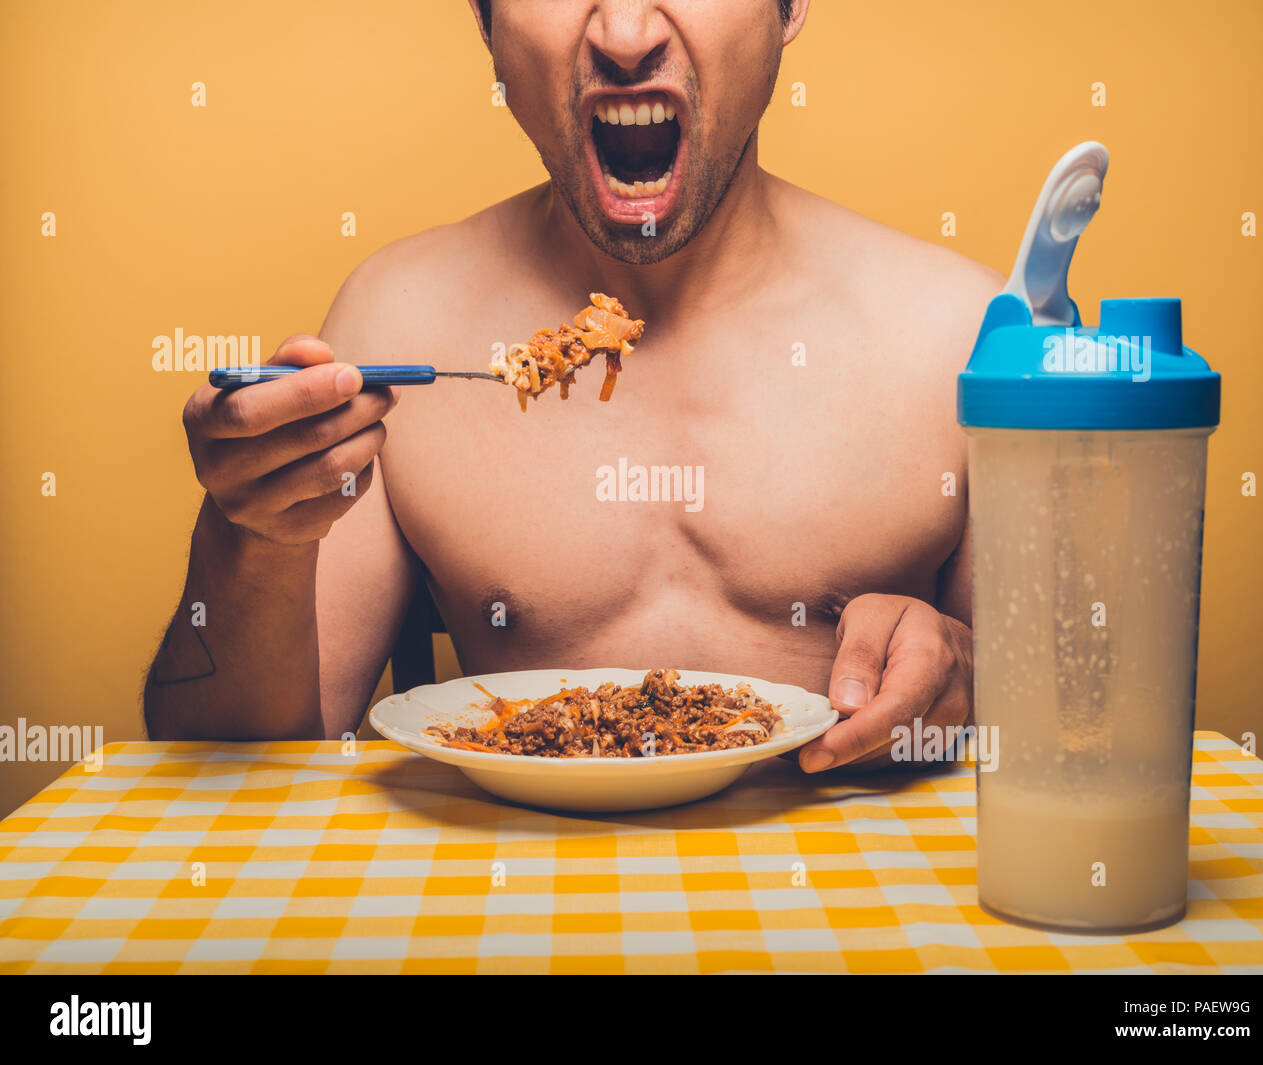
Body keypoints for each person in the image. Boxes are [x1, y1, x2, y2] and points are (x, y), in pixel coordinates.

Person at [145, 0, 1003, 773]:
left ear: (788, 7)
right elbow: (226, 761)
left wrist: (971, 677)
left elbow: (1087, 738)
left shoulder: (963, 337)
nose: (625, 35)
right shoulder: (396, 319)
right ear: (484, 23)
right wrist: (247, 535)